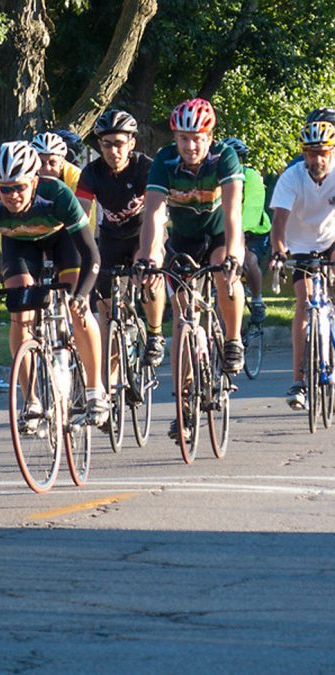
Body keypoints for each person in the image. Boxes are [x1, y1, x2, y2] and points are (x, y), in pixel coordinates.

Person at [0, 141, 109, 426]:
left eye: (19, 187)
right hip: (20, 248)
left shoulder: (57, 194)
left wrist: (82, 296)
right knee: (21, 313)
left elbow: (91, 254)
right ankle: (32, 401)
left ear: (34, 180)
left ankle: (96, 392)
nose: (11, 195)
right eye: (4, 188)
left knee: (78, 311)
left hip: (64, 243)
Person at [136, 97, 245, 443]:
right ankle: (183, 408)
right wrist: (148, 257)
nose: (191, 145)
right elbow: (153, 214)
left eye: (197, 137)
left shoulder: (224, 157)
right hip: (182, 239)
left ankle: (233, 339)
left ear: (210, 136)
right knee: (183, 319)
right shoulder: (164, 162)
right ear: (176, 138)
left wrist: (235, 254)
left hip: (216, 235)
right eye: (184, 138)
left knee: (222, 271)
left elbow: (232, 214)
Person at [75, 109, 161, 370]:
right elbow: (81, 216)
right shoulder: (91, 173)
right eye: (106, 144)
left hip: (143, 233)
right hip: (111, 237)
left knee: (148, 275)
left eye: (119, 144)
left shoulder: (146, 168)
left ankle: (155, 334)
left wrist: (150, 255)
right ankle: (110, 392)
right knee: (106, 309)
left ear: (131, 143)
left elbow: (157, 214)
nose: (113, 151)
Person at [269, 120, 335, 410]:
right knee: (303, 302)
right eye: (310, 153)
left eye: (322, 152)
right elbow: (279, 220)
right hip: (299, 246)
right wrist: (279, 250)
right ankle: (298, 380)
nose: (316, 159)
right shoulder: (291, 177)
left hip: (331, 240)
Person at [222, 137, 271, 322]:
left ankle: (257, 301)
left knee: (248, 260)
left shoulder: (250, 176)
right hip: (227, 232)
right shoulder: (218, 177)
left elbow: (253, 206)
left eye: (237, 159)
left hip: (254, 232)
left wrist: (240, 231)